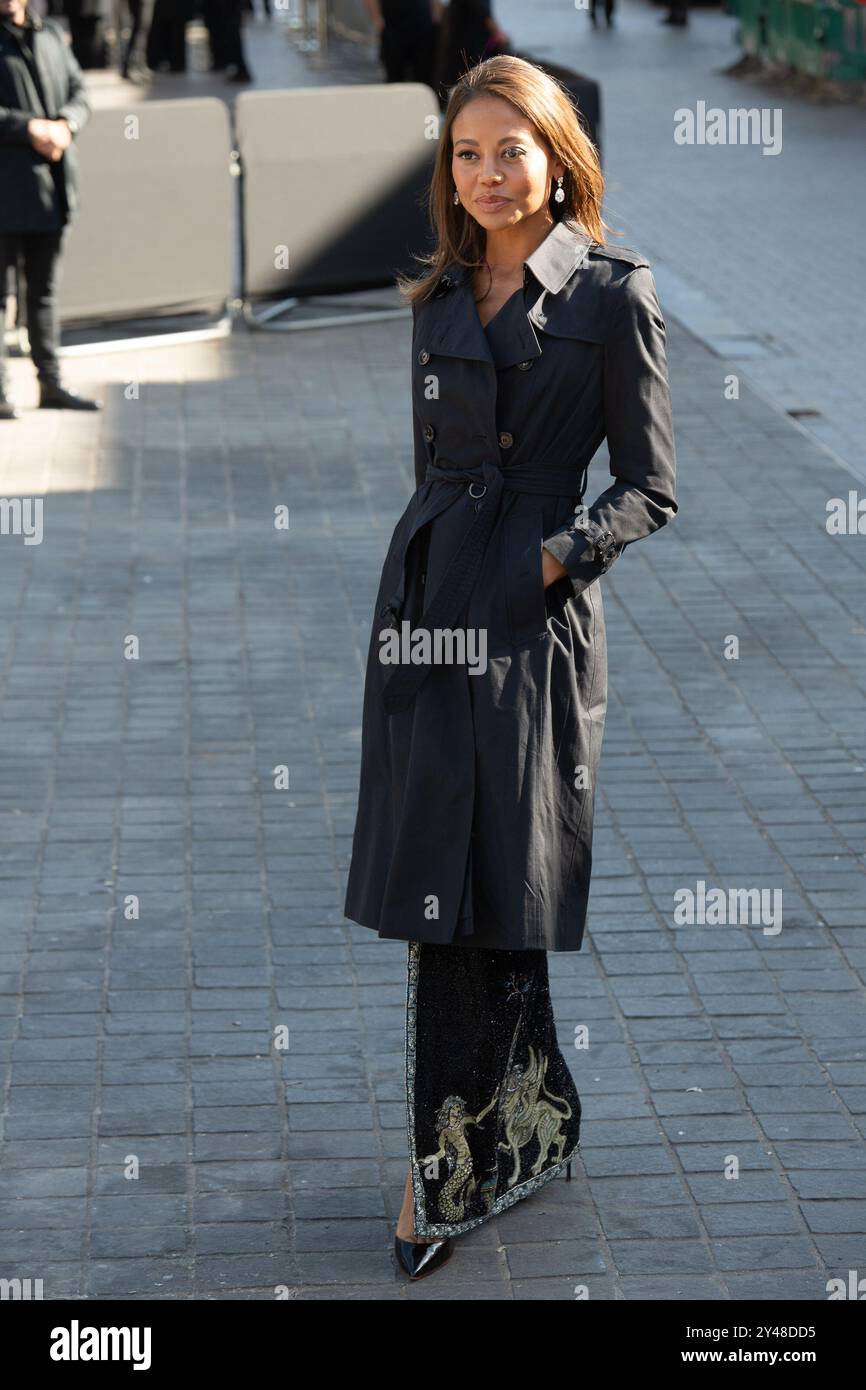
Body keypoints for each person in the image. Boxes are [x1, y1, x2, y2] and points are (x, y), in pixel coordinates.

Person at [342, 54, 677, 1278]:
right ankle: (528, 1121)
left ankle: (446, 1172)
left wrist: (550, 561)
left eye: (509, 150)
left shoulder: (607, 293)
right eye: (465, 154)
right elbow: (433, 470)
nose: (486, 174)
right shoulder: (433, 291)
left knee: (490, 882)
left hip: (531, 627)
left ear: (555, 155)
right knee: (447, 876)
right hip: (425, 613)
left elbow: (650, 489)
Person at [0, 0, 100, 417]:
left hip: (52, 191)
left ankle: (51, 382)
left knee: (44, 293)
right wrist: (28, 128)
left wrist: (66, 124)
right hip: (6, 191)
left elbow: (79, 91)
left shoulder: (51, 35)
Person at [364, 0, 440, 88]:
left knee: (424, 77)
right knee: (394, 79)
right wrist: (376, 19)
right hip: (392, 24)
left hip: (422, 21)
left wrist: (436, 14)